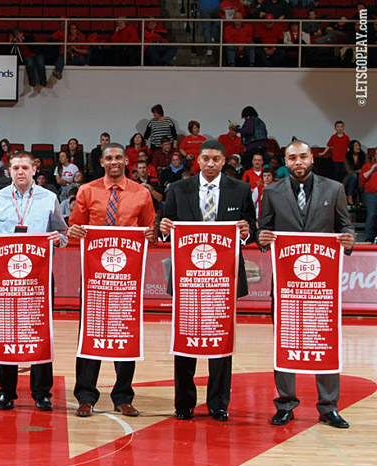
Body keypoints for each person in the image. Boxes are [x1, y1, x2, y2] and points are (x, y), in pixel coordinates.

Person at [258, 141, 354, 428]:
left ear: (312, 158)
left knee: (324, 340)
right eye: (292, 158)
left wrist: (348, 240)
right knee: (286, 341)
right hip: (288, 283)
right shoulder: (272, 191)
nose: (298, 161)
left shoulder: (334, 188)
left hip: (322, 286)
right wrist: (263, 239)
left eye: (302, 156)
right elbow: (264, 228)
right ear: (285, 162)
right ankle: (285, 403)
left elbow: (345, 226)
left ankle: (328, 406)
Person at [160, 140, 256, 422]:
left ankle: (218, 404)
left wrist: (246, 230)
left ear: (224, 160)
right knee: (185, 342)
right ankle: (184, 403)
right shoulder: (178, 188)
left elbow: (250, 226)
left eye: (216, 158)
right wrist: (164, 229)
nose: (211, 163)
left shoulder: (240, 189)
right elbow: (166, 227)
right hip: (188, 278)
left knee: (221, 344)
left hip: (223, 279)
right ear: (198, 161)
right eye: (206, 158)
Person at [67, 143, 157, 418]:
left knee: (126, 335)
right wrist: (75, 231)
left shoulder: (142, 193)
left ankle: (123, 395)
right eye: (109, 158)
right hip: (95, 276)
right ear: (102, 162)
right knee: (89, 334)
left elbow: (150, 232)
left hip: (127, 278)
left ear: (126, 160)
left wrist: (151, 237)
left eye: (118, 157)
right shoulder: (87, 190)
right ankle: (85, 395)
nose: (114, 162)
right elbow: (73, 228)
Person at [0, 151, 66, 411]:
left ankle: (42, 392)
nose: (20, 172)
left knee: (41, 333)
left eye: (25, 167)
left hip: (38, 278)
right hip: (5, 280)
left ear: (34, 170)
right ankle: (6, 391)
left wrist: (56, 239)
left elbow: (62, 234)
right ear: (9, 171)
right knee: (6, 332)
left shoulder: (49, 198)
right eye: (15, 168)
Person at [10, 26, 46, 93]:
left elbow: (33, 46)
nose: (18, 35)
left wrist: (23, 41)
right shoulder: (16, 41)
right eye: (16, 34)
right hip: (27, 56)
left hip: (36, 54)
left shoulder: (29, 37)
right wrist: (13, 41)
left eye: (19, 33)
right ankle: (32, 82)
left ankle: (43, 81)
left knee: (40, 63)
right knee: (30, 63)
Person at [360, 149, 377, 243]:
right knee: (372, 215)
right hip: (371, 193)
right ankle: (368, 238)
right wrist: (372, 169)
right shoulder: (367, 166)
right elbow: (363, 177)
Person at [344, 140, 366, 206]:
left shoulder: (363, 155)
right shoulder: (347, 156)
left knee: (360, 177)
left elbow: (367, 166)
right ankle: (349, 196)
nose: (358, 147)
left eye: (359, 145)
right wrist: (356, 171)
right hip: (350, 175)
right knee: (354, 176)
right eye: (356, 146)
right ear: (352, 147)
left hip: (362, 174)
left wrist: (361, 171)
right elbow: (348, 170)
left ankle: (361, 200)